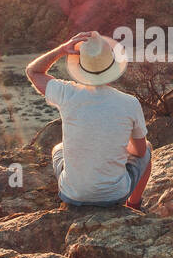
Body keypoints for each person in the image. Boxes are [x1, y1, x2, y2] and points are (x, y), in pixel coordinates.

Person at [25, 31, 152, 209]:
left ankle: (74, 191)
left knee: (58, 148)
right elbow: (139, 152)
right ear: (113, 64)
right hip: (115, 196)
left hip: (71, 195)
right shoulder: (130, 103)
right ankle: (134, 206)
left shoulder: (67, 93)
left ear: (81, 67)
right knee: (147, 148)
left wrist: (62, 49)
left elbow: (33, 71)